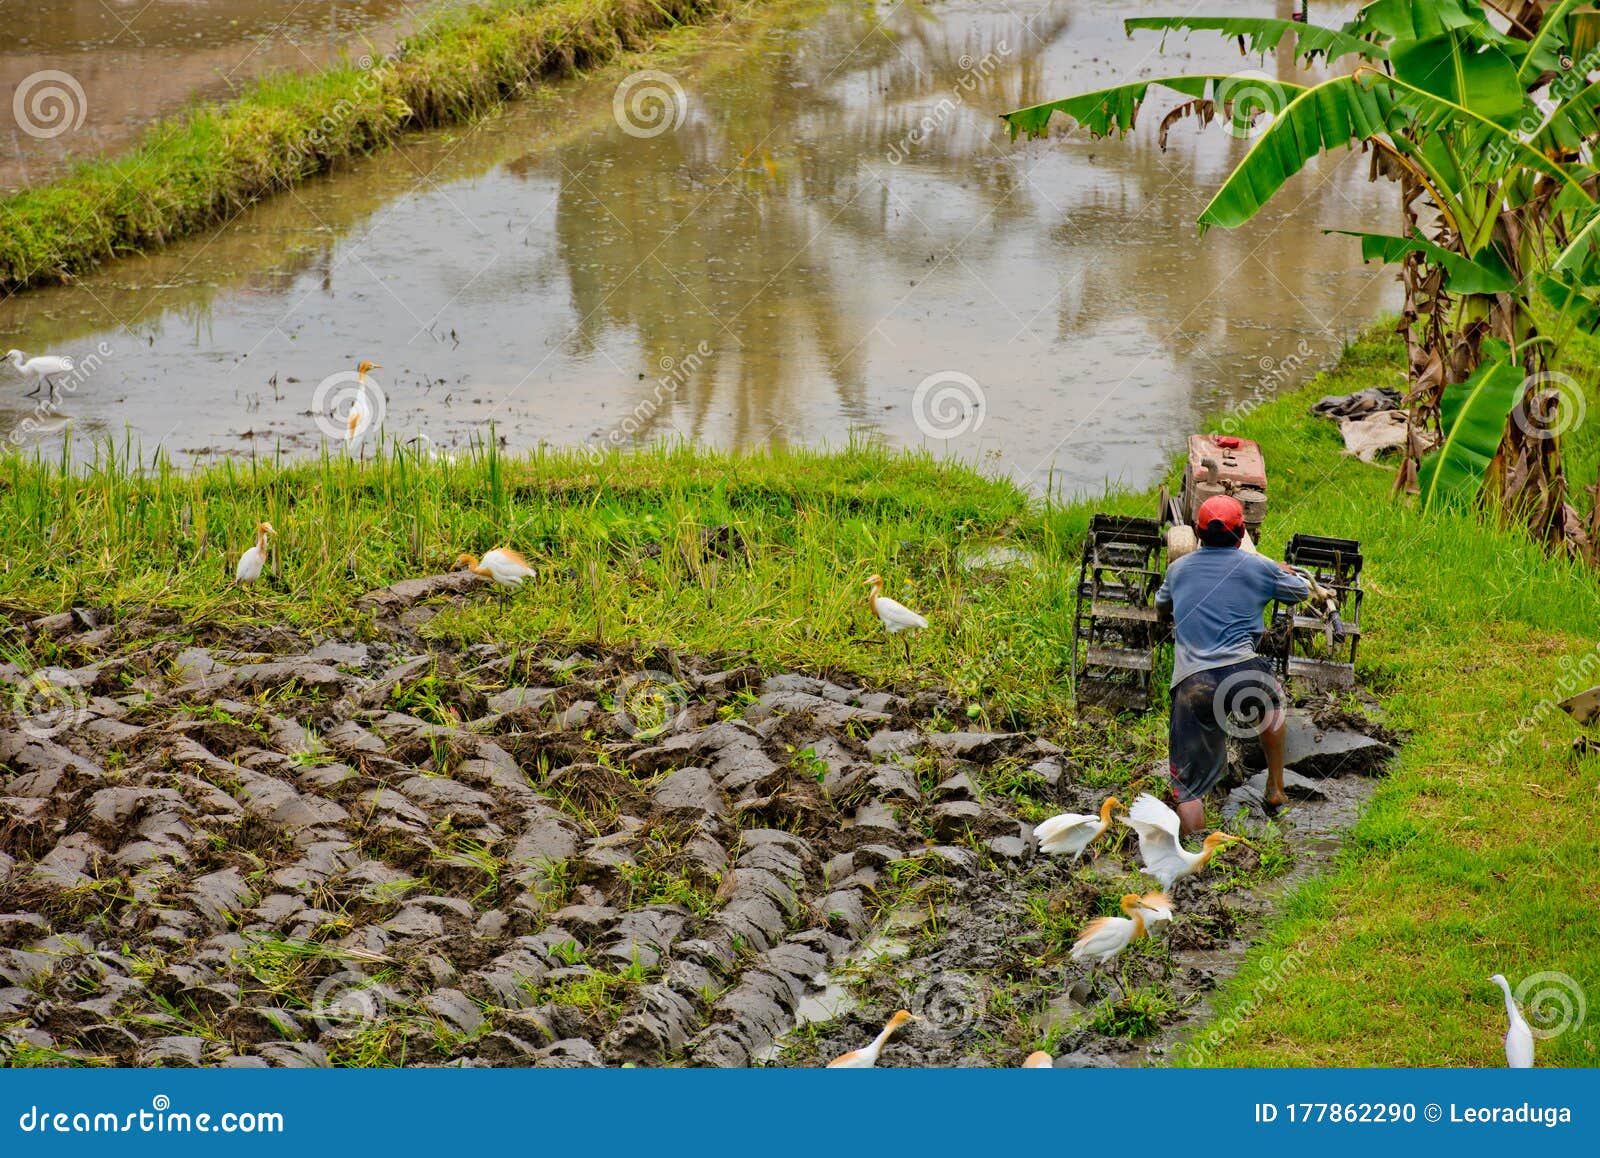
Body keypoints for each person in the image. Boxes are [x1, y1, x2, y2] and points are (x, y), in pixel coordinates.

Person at [1153, 495, 1310, 836]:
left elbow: (1161, 606)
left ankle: (1196, 850)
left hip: (1194, 684)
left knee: (1190, 791)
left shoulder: (1177, 569)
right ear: (1242, 536)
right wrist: (1277, 571)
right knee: (1271, 709)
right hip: (1245, 673)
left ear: (1197, 533)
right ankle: (1275, 788)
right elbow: (1300, 591)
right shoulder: (1258, 567)